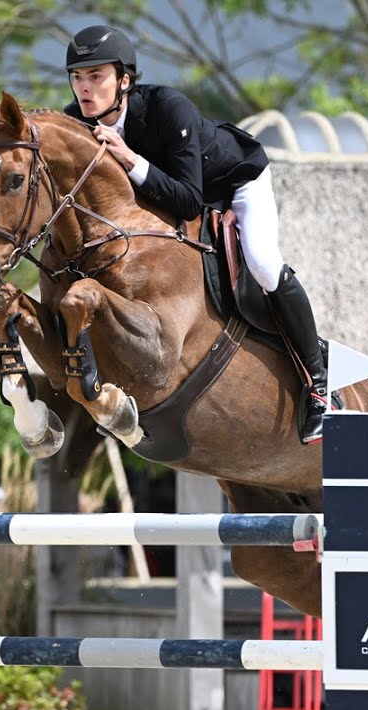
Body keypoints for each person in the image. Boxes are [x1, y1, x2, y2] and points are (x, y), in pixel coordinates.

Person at [63, 24, 331, 444]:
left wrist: (130, 160)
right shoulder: (75, 122)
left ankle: (318, 385)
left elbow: (189, 199)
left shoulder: (169, 107)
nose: (84, 87)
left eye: (96, 76)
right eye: (77, 77)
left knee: (261, 261)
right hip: (168, 195)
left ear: (125, 81)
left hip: (233, 183)